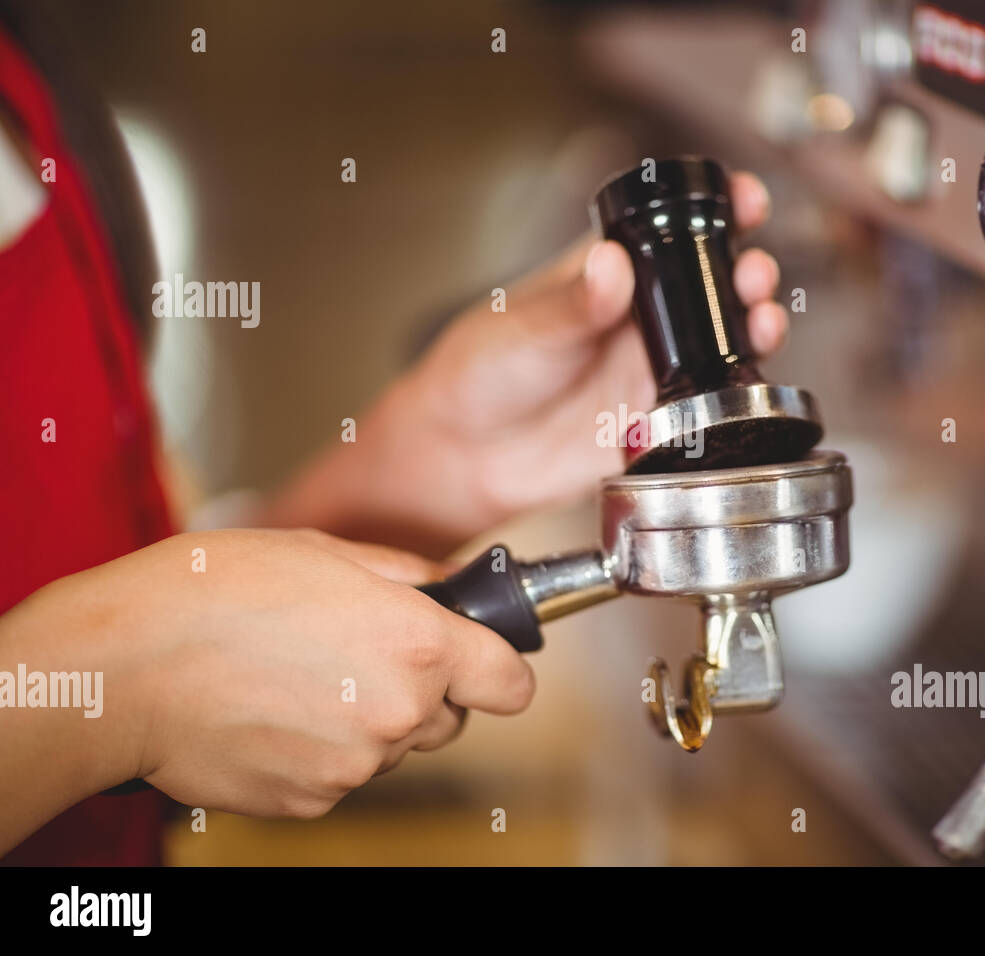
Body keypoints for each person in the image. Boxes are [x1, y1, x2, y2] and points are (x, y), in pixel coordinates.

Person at [0, 11, 789, 863]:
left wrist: (439, 466)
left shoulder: (25, 70)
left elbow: (113, 558)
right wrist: (122, 694)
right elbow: (136, 659)